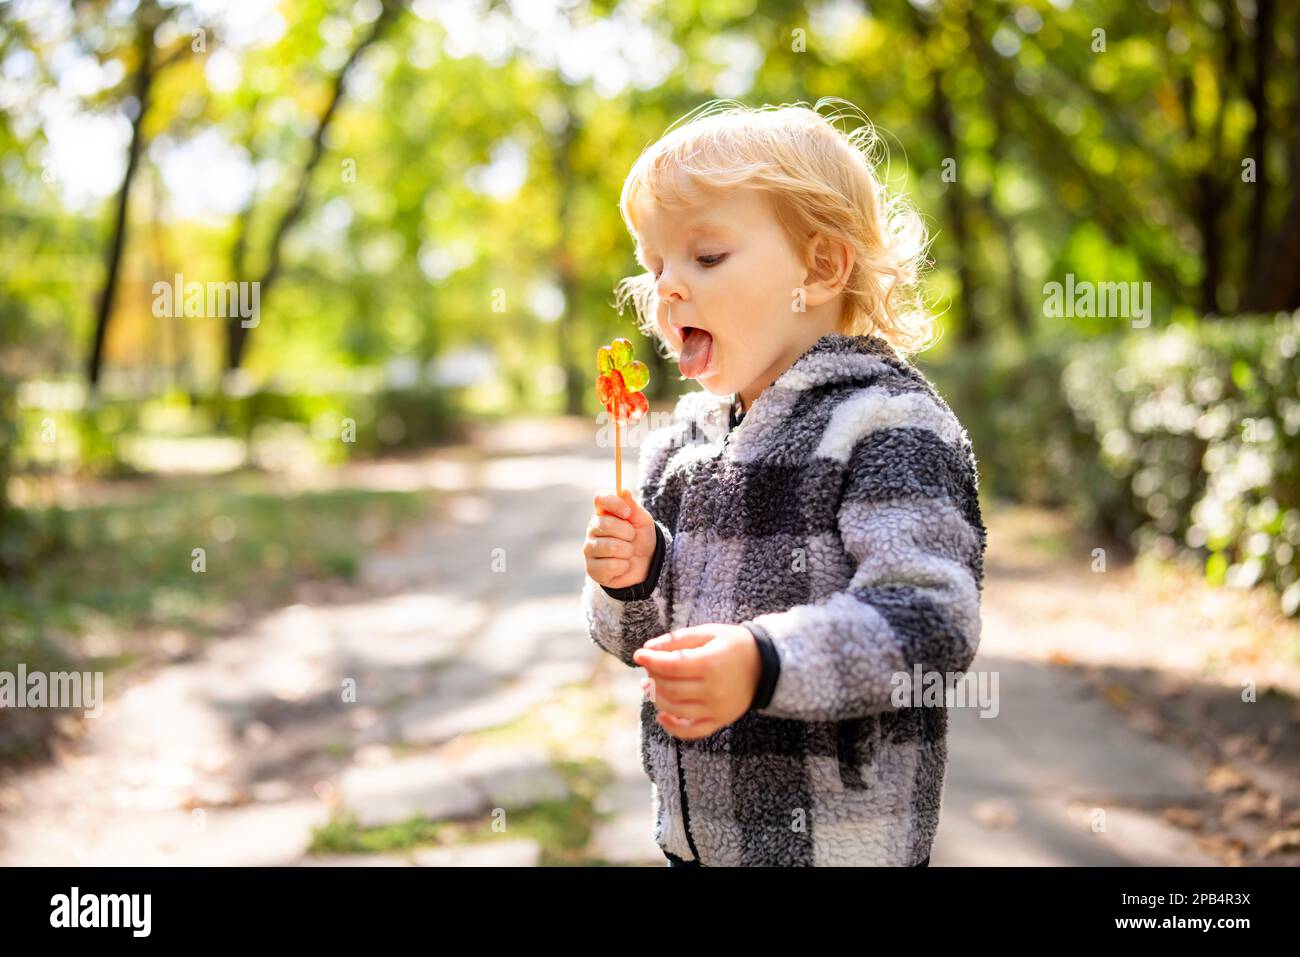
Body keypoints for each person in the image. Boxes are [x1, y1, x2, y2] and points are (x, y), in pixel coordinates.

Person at [581, 99, 986, 867]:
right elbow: (636, 644)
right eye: (654, 263)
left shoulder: (885, 423)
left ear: (821, 267)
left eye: (705, 258)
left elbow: (932, 623)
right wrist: (635, 579)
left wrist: (765, 661)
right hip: (696, 840)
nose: (665, 288)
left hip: (840, 848)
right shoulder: (681, 445)